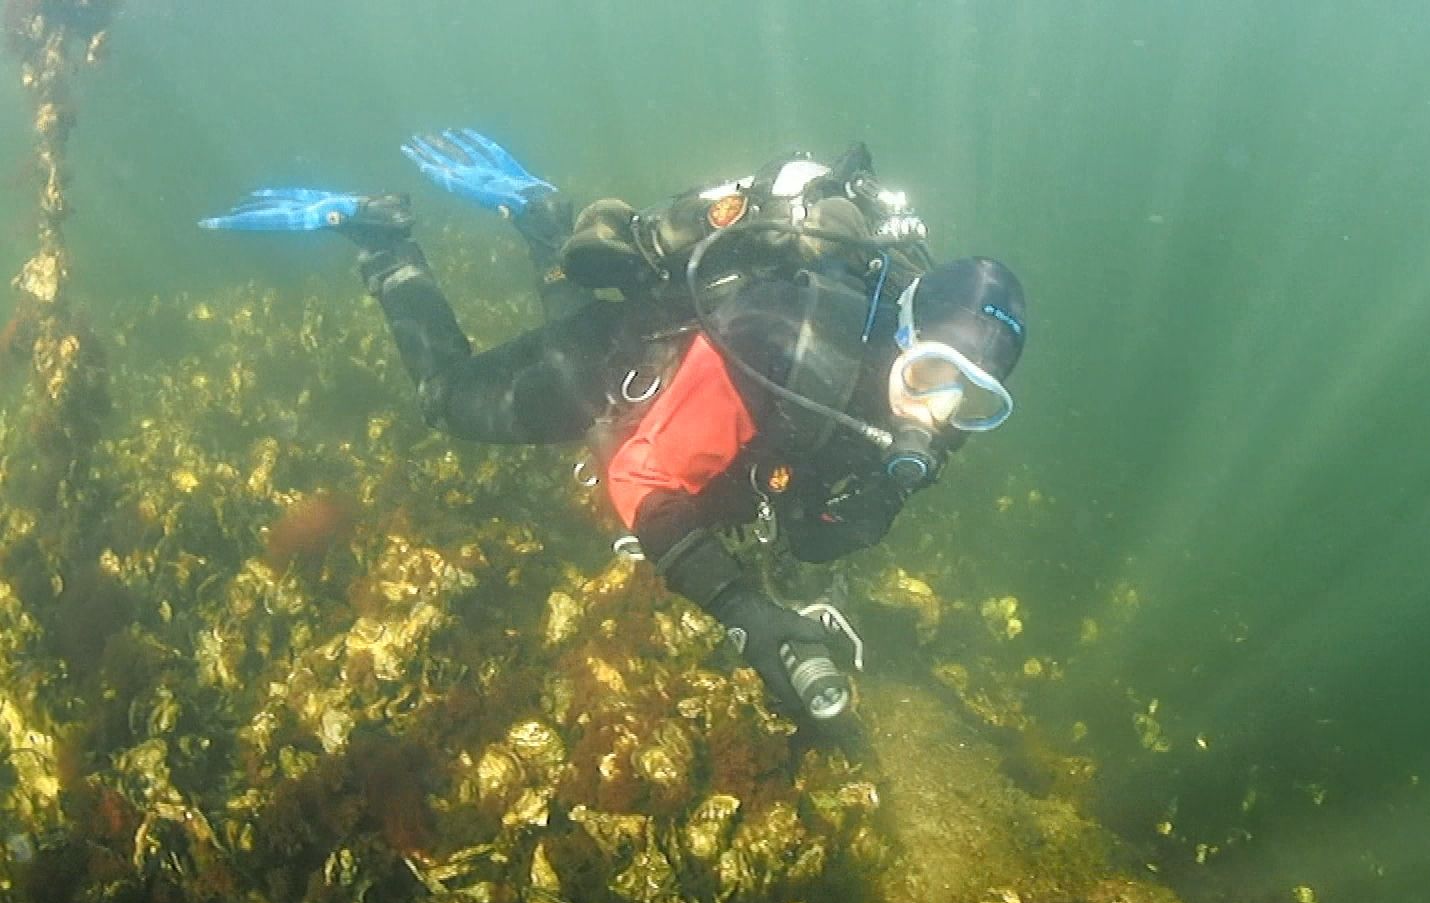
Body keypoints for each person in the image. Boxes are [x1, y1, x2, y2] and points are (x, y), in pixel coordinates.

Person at [200, 132, 1028, 719]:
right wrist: (741, 608)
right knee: (449, 399)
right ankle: (383, 241)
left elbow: (808, 513)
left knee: (574, 311)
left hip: (669, 357)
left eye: (973, 399)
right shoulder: (792, 348)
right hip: (625, 372)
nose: (938, 413)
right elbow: (642, 477)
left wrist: (870, 508)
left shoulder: (914, 408)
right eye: (931, 376)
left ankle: (539, 211)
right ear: (901, 334)